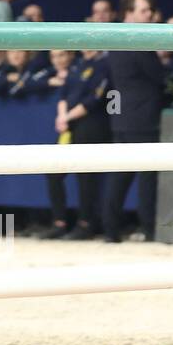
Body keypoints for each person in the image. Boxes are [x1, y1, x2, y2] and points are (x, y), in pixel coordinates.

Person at [104, 0, 171, 242]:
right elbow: (158, 76)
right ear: (128, 13)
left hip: (122, 116)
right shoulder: (138, 41)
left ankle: (111, 229)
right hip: (143, 117)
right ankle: (149, 228)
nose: (150, 15)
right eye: (144, 10)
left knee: (120, 175)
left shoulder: (114, 38)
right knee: (146, 177)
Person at [43, 48, 112, 240]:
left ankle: (85, 223)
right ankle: (59, 222)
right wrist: (62, 117)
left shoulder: (103, 66)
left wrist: (66, 116)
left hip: (91, 125)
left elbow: (95, 99)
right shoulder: (77, 67)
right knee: (54, 172)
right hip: (69, 128)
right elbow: (64, 94)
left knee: (86, 176)